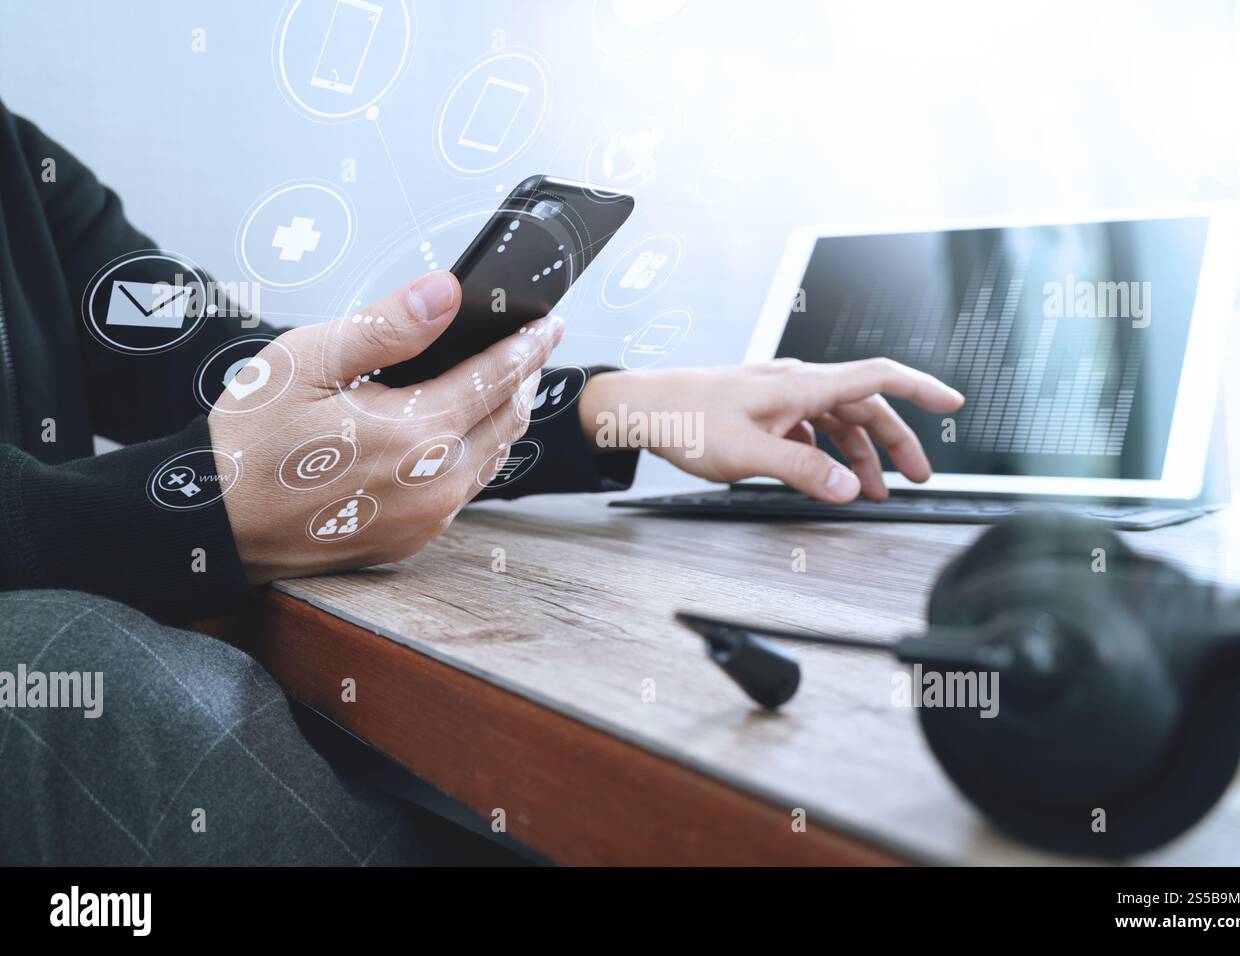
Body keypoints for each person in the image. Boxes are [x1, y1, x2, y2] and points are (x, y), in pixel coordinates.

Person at [0, 99, 963, 864]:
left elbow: (205, 360)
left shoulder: (19, 161)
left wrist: (614, 405)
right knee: (71, 665)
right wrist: (200, 506)